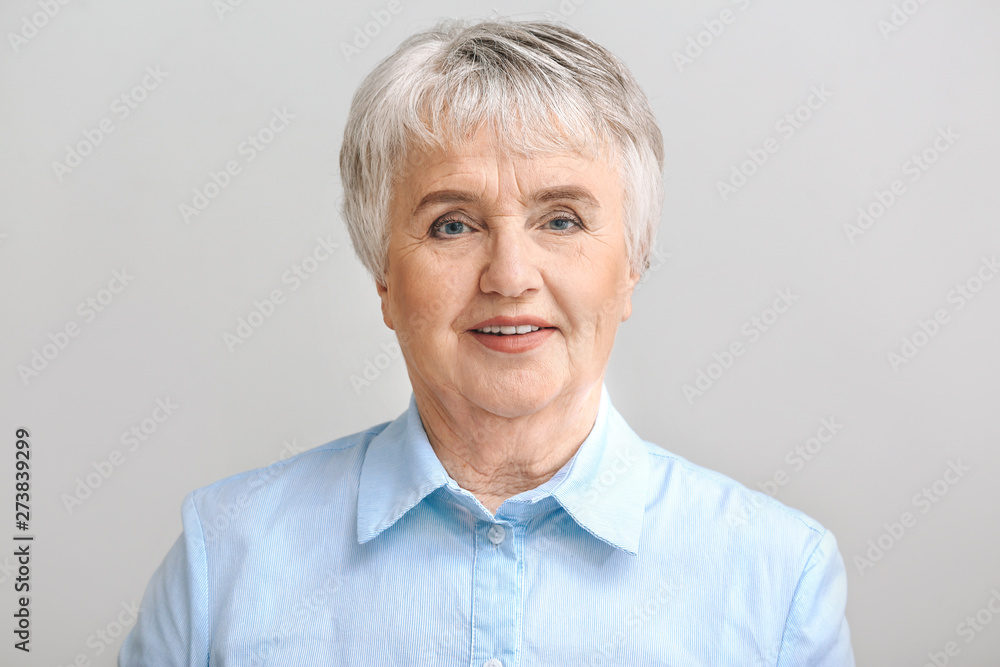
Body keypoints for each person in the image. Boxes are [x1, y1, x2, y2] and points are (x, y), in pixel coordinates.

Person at [119, 17, 855, 666]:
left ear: (630, 268)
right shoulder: (224, 558)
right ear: (383, 277)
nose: (508, 276)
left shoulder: (778, 578)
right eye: (453, 223)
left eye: (561, 219)